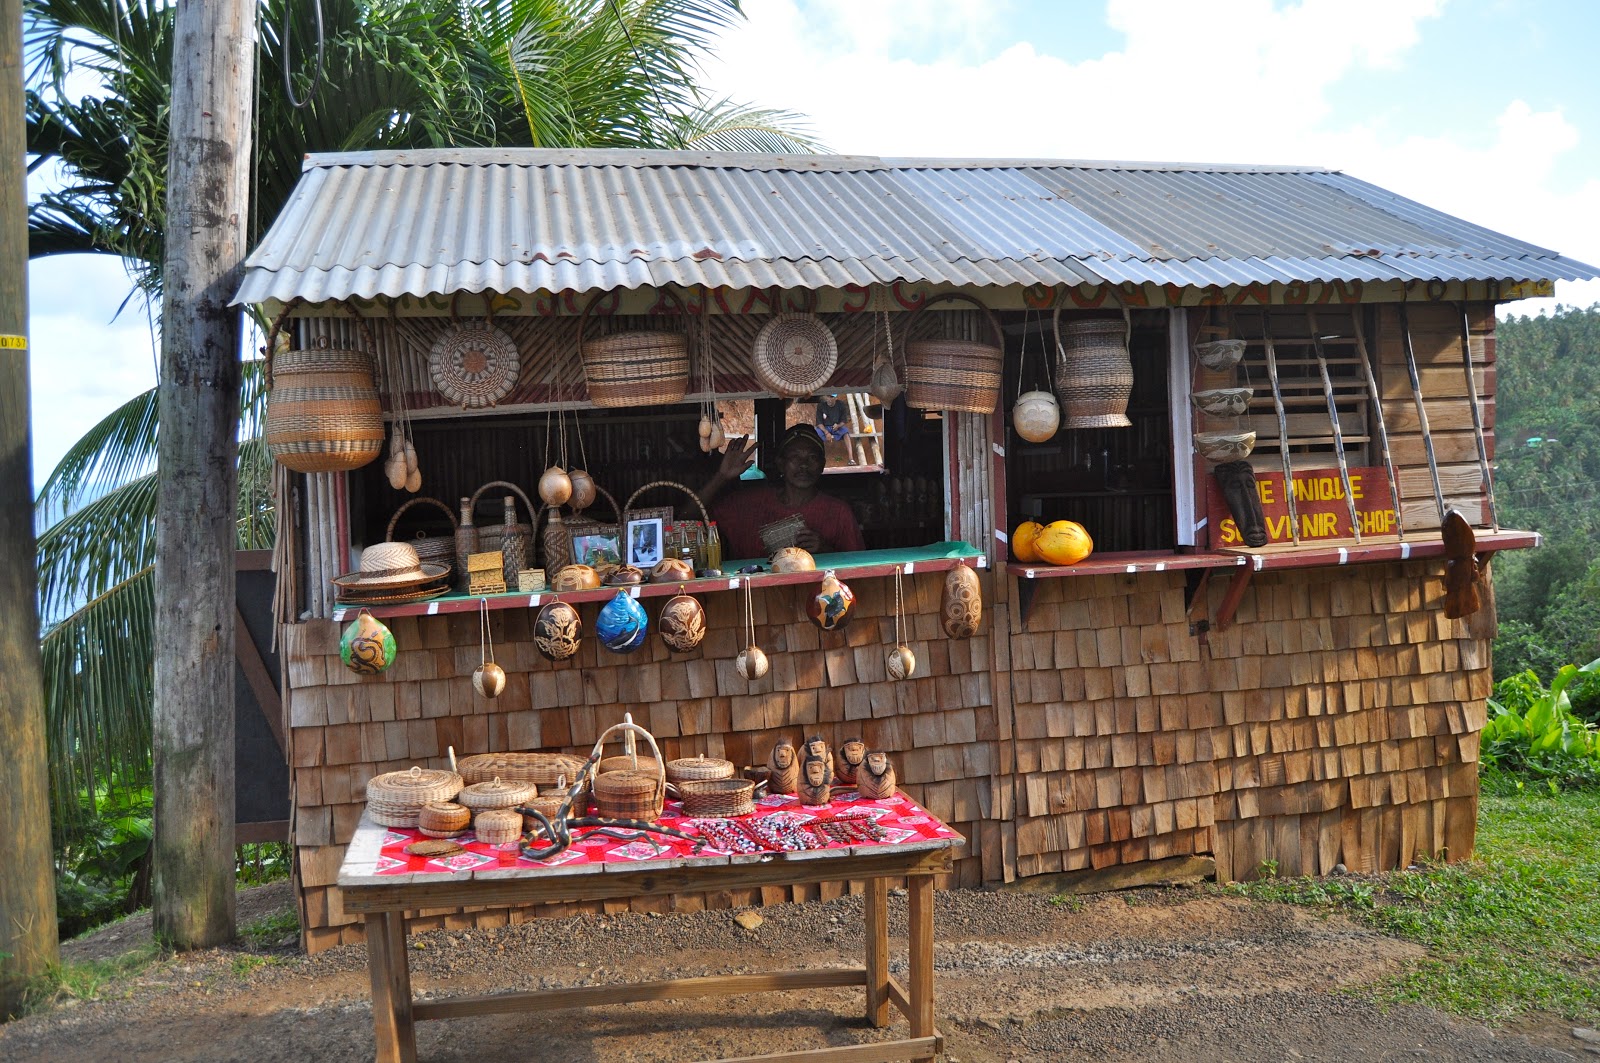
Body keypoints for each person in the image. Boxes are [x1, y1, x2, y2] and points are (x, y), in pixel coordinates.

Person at [700, 424, 866, 560]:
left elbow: (860, 568)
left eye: (812, 458)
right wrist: (721, 477)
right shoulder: (748, 504)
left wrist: (825, 550)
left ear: (822, 465)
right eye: (795, 457)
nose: (803, 465)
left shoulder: (838, 512)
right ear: (781, 463)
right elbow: (687, 517)